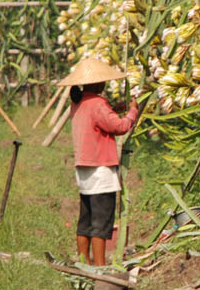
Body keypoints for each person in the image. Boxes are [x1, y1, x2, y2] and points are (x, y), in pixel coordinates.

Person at [56, 57, 140, 266]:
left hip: (84, 170)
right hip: (101, 170)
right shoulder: (98, 104)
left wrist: (114, 108)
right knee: (101, 223)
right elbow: (119, 127)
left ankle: (83, 262)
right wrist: (132, 112)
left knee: (85, 220)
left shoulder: (78, 102)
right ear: (99, 84)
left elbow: (100, 118)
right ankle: (100, 267)